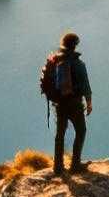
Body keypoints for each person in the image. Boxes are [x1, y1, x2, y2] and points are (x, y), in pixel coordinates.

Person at [39, 31, 93, 175]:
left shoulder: (55, 60)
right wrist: (89, 103)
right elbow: (85, 85)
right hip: (74, 104)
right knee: (81, 131)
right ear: (74, 46)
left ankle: (58, 167)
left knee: (60, 135)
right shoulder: (78, 64)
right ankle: (75, 164)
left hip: (59, 104)